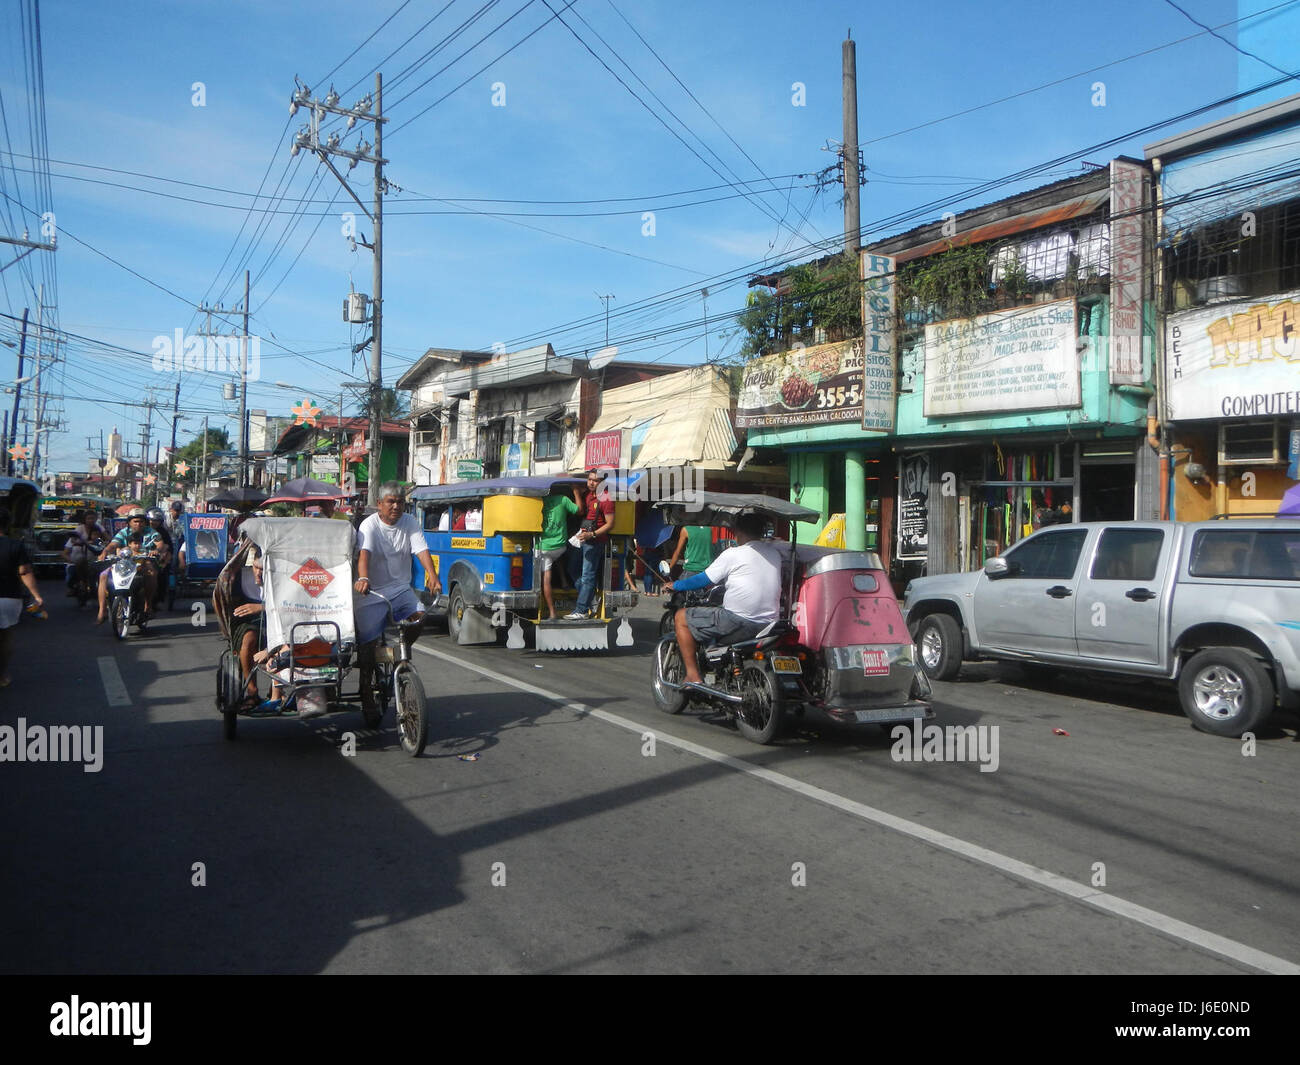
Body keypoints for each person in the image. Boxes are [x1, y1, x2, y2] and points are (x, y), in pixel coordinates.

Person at [663, 512, 782, 687]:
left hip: (738, 621)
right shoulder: (774, 553)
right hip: (769, 624)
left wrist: (676, 585)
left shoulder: (733, 553)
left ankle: (693, 675)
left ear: (738, 532)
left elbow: (703, 580)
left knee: (681, 617)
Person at [354, 482, 442, 714]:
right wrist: (363, 577)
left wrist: (432, 576)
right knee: (367, 649)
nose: (396, 506)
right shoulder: (369, 525)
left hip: (400, 589)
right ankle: (365, 691)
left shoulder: (410, 522)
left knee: (419, 617)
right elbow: (364, 556)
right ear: (380, 504)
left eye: (400, 502)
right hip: (372, 592)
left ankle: (398, 656)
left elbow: (422, 551)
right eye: (391, 502)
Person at [0, 506, 43, 688]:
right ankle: (2, 675)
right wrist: (36, 596)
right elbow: (24, 572)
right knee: (5, 637)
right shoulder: (15, 545)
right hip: (9, 598)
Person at [96, 509, 161, 624]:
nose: (138, 524)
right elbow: (113, 544)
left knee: (152, 573)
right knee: (103, 575)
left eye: (141, 521)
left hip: (143, 561)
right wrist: (105, 552)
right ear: (129, 522)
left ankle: (148, 605)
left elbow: (160, 544)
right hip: (123, 564)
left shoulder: (151, 532)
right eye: (135, 521)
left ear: (145, 522)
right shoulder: (123, 532)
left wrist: (156, 550)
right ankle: (102, 610)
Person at [566, 467, 615, 620]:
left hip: (595, 542)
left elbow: (610, 524)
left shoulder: (606, 499)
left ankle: (581, 610)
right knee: (572, 568)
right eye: (590, 479)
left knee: (588, 575)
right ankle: (590, 597)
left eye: (596, 480)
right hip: (581, 539)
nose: (592, 483)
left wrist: (592, 534)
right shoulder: (588, 495)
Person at [230, 546, 268, 712]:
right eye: (256, 568)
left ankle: (278, 692)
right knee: (249, 637)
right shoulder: (240, 575)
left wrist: (261, 607)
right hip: (248, 622)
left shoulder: (281, 577)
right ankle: (252, 691)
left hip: (276, 618)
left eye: (263, 569)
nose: (259, 573)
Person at [537, 483, 581, 620]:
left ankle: (552, 612)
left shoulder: (539, 501)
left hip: (543, 548)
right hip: (561, 546)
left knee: (546, 579)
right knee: (558, 556)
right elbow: (579, 511)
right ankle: (564, 581)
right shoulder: (563, 499)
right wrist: (576, 492)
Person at [63, 509, 106, 597]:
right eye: (89, 518)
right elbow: (68, 547)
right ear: (84, 520)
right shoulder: (79, 529)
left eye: (93, 518)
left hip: (94, 559)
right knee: (79, 562)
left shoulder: (98, 528)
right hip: (79, 558)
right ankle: (80, 583)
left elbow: (108, 538)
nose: (91, 521)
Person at [147, 508, 175, 608]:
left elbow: (168, 548)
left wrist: (164, 561)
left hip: (156, 559)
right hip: (138, 558)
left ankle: (157, 599)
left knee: (161, 574)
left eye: (156, 521)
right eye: (151, 520)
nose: (153, 522)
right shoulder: (142, 530)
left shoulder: (163, 533)